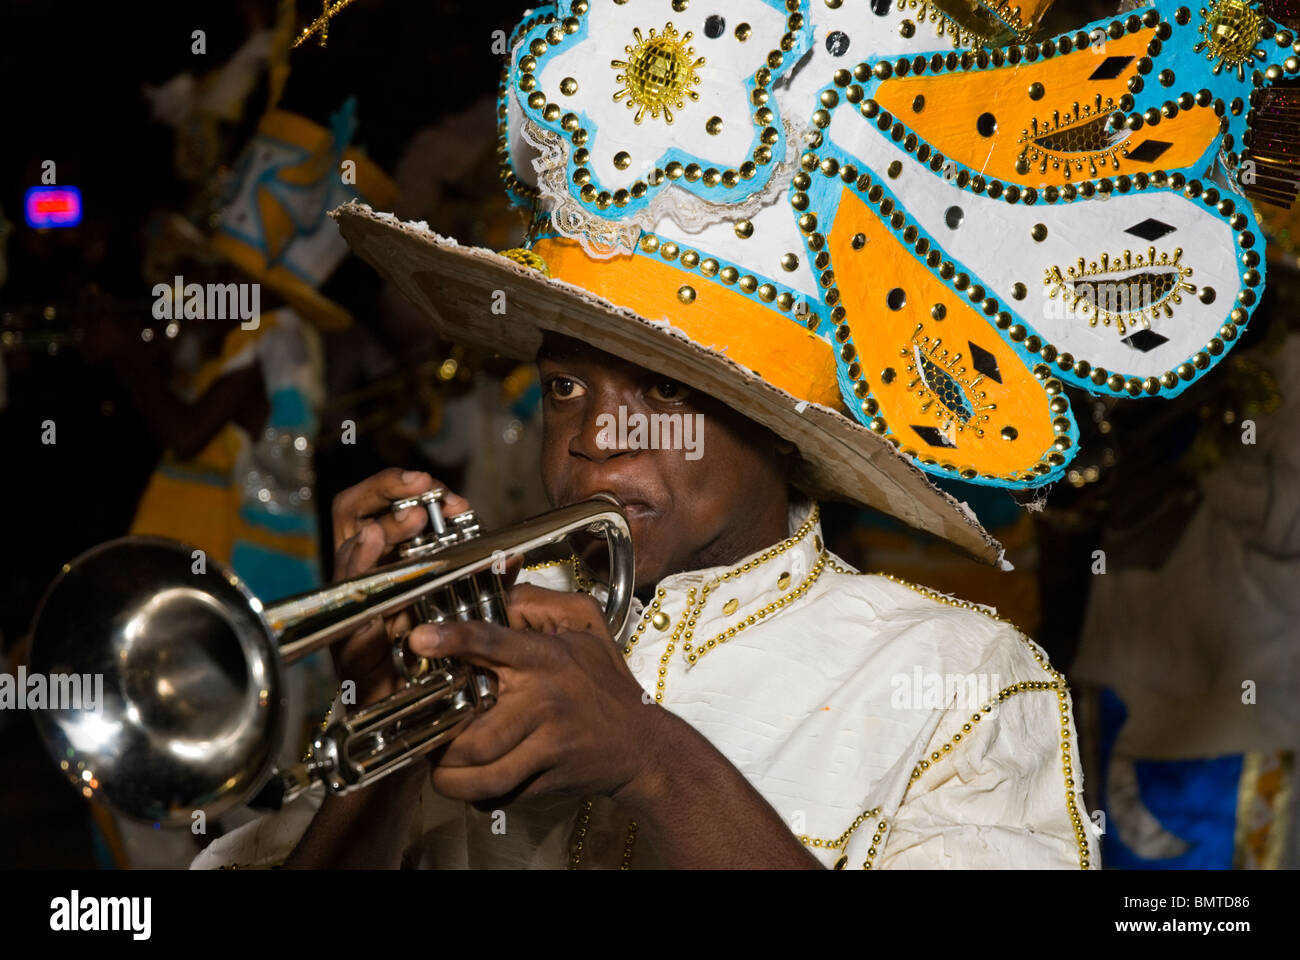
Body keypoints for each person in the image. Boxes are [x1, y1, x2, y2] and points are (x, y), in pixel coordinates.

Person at [193, 0, 1296, 869]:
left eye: (666, 392)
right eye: (567, 387)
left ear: (778, 431)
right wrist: (388, 730)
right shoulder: (495, 638)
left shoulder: (958, 678)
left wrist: (655, 767)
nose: (595, 438)